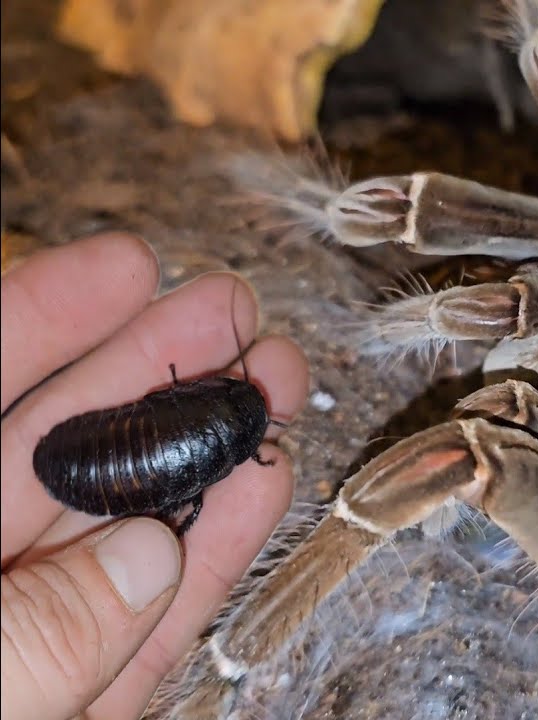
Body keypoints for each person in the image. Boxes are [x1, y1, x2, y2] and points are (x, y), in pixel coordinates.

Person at [0, 233, 309, 720]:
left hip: (117, 445)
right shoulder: (226, 447)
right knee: (192, 503)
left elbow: (164, 402)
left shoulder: (208, 411)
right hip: (95, 455)